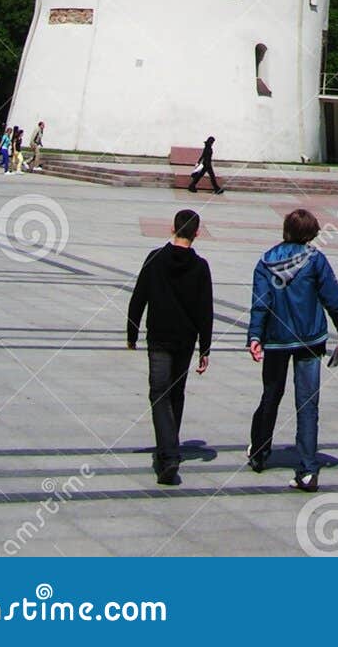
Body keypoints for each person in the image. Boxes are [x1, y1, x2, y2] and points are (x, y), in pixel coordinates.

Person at [247, 207, 338, 491]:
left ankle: (259, 451)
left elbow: (261, 302)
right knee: (307, 404)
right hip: (309, 339)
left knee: (271, 394)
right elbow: (333, 297)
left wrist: (255, 335)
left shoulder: (265, 262)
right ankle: (307, 469)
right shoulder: (315, 260)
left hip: (276, 339)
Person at [126, 207, 213, 486]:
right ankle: (169, 450)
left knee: (158, 394)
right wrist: (205, 348)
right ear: (197, 233)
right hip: (185, 340)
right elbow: (205, 311)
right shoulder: (200, 267)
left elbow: (139, 297)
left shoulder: (155, 258)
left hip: (159, 338)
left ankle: (168, 454)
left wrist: (132, 332)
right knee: (175, 393)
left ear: (171, 228)